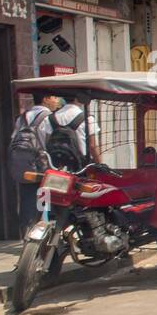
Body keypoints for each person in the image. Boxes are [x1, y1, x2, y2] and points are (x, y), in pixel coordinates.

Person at [9, 93, 57, 232]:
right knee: (43, 202)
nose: (56, 100)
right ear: (45, 98)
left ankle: (27, 233)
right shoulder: (49, 117)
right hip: (43, 168)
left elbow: (14, 139)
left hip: (24, 167)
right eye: (53, 97)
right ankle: (44, 232)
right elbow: (51, 142)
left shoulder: (22, 118)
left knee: (27, 202)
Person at [47, 94, 101, 168]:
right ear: (77, 98)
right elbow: (92, 146)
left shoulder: (50, 118)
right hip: (82, 165)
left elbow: (46, 141)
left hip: (57, 164)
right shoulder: (88, 118)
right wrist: (100, 165)